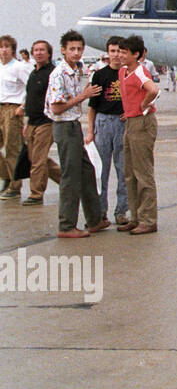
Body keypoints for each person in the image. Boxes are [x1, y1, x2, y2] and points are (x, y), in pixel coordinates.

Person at [45, 30, 107, 237]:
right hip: (64, 127)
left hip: (73, 126)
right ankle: (66, 225)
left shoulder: (75, 70)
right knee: (71, 176)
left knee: (87, 171)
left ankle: (94, 219)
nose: (76, 53)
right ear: (63, 50)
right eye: (72, 49)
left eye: (79, 49)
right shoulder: (58, 74)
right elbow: (57, 108)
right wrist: (84, 96)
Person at [116, 35, 160, 234]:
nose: (121, 55)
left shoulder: (141, 72)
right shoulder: (123, 72)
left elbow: (153, 90)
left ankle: (148, 219)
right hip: (131, 122)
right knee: (130, 173)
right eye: (119, 51)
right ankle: (135, 216)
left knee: (143, 173)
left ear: (136, 54)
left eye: (125, 52)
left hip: (142, 123)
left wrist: (143, 106)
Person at [86, 36, 130, 225]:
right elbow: (92, 107)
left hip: (123, 124)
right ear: (107, 53)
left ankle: (121, 211)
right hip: (103, 123)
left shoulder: (129, 74)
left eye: (119, 51)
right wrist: (90, 131)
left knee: (123, 170)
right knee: (100, 171)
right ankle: (100, 212)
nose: (116, 55)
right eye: (112, 51)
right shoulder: (99, 75)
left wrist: (130, 112)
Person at [17, 41, 60, 205]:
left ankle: (36, 193)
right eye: (36, 50)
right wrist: (27, 122)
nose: (39, 53)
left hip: (46, 122)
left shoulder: (52, 73)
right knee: (35, 157)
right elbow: (31, 98)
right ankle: (67, 182)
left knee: (38, 160)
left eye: (42, 50)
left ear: (49, 53)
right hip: (33, 122)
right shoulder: (33, 74)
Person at [0, 35, 31, 197]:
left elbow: (30, 86)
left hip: (12, 109)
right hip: (0, 106)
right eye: (1, 47)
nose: (4, 50)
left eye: (7, 47)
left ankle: (15, 185)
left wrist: (23, 106)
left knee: (12, 147)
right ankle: (5, 176)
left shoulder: (19, 67)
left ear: (12, 49)